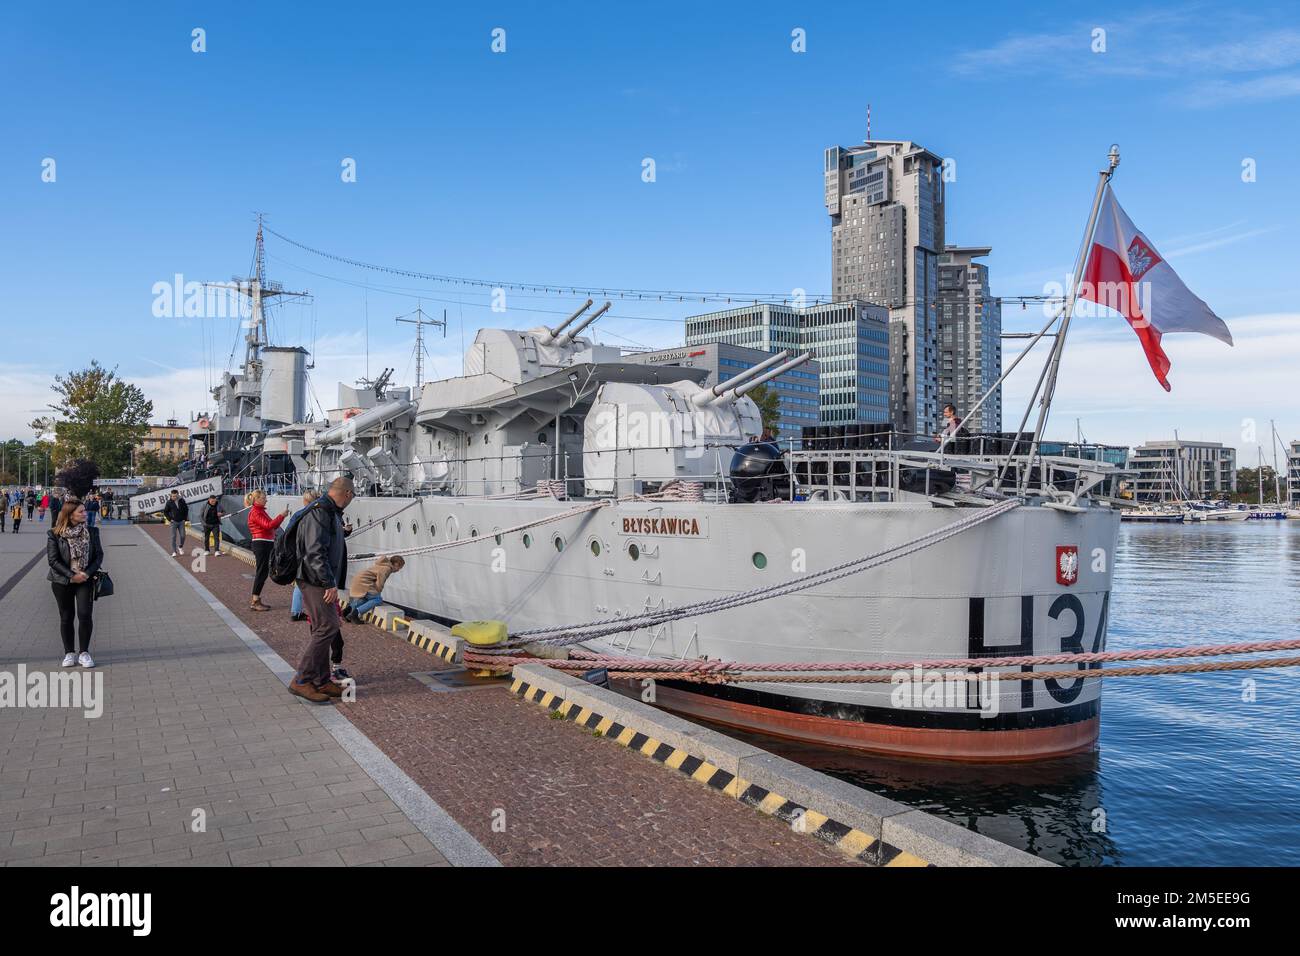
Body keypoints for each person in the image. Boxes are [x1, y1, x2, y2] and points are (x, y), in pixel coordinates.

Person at [289, 477, 354, 703]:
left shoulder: (329, 511)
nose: (352, 500)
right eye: (353, 496)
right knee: (328, 627)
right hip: (315, 579)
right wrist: (328, 582)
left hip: (317, 578)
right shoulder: (320, 512)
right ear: (346, 494)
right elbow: (314, 551)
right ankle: (302, 680)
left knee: (323, 627)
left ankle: (321, 680)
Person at [47, 498, 103, 668]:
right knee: (66, 617)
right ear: (70, 515)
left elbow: (98, 556)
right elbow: (53, 560)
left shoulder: (92, 532)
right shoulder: (54, 534)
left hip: (85, 580)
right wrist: (72, 575)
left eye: (84, 510)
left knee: (85, 615)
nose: (85, 513)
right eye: (81, 511)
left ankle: (84, 653)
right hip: (62, 581)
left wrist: (85, 573)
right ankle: (69, 653)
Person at [246, 489, 289, 612]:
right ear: (257, 499)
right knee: (261, 572)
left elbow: (272, 525)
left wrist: (281, 517)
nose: (266, 499)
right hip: (261, 543)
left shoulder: (259, 511)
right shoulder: (256, 512)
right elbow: (269, 525)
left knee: (263, 572)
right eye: (264, 498)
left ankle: (256, 598)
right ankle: (255, 600)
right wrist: (281, 516)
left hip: (264, 542)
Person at [289, 490, 321, 622]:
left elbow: (289, 532)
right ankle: (319, 612)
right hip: (313, 553)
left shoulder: (297, 515)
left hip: (299, 553)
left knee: (300, 583)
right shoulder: (317, 516)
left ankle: (295, 611)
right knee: (321, 583)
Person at [162, 489, 189, 556]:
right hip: (173, 522)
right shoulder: (169, 502)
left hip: (181, 522)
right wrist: (169, 519)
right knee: (173, 537)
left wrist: (184, 519)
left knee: (183, 536)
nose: (173, 497)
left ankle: (180, 547)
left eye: (175, 496)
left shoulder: (182, 500)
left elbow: (186, 509)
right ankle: (174, 551)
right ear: (171, 495)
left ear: (177, 495)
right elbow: (165, 512)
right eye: (172, 496)